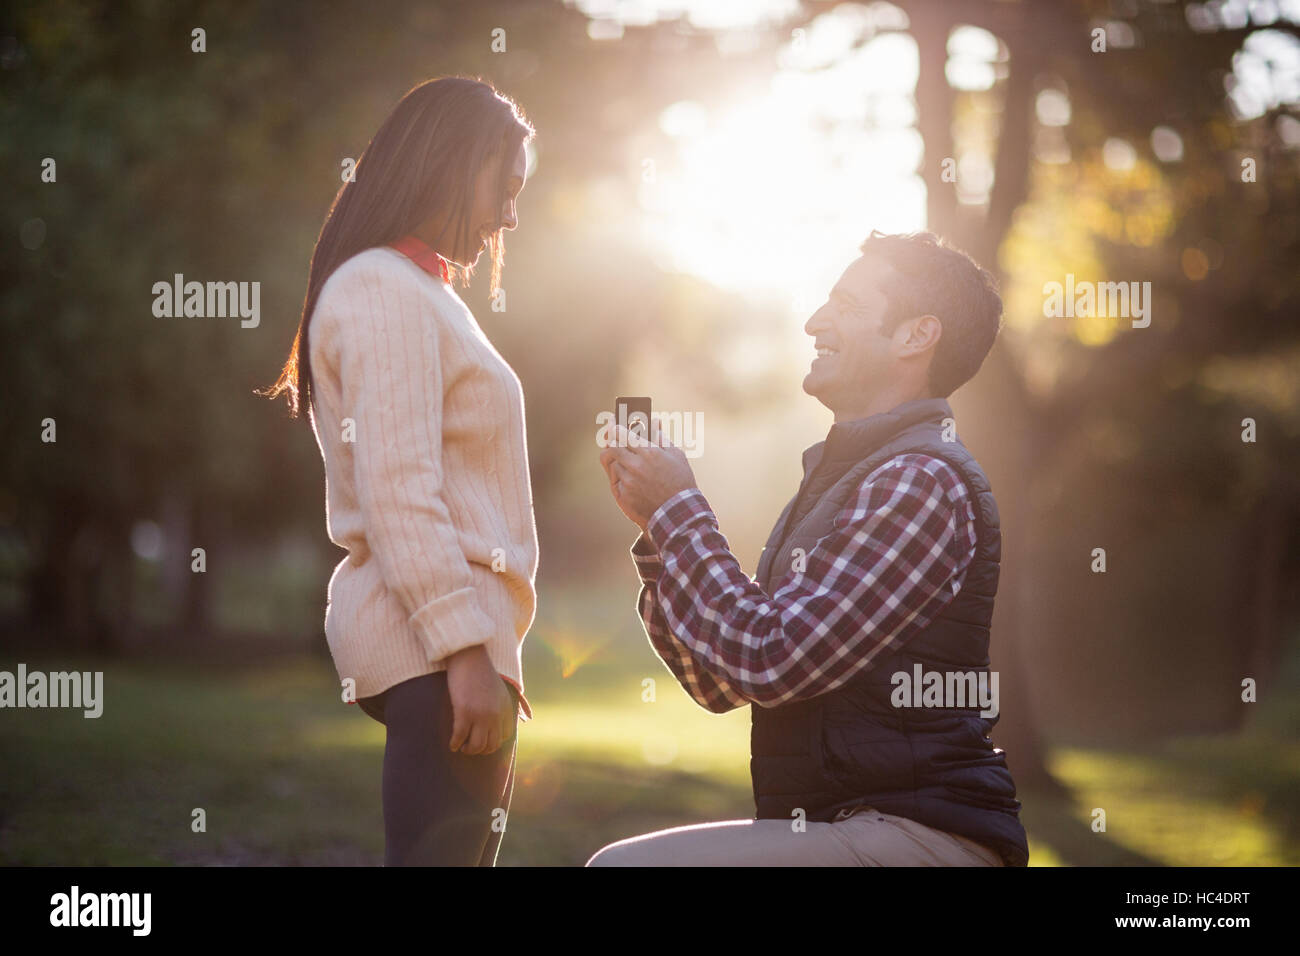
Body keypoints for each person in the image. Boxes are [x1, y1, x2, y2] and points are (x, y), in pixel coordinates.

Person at [592, 231, 1030, 866]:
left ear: (916, 335)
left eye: (847, 305)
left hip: (920, 835)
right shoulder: (849, 481)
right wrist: (660, 534)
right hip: (847, 828)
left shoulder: (920, 482)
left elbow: (772, 661)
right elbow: (717, 682)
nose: (813, 321)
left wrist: (678, 512)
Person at [261, 76, 538, 866]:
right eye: (504, 188)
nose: (511, 215)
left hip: (458, 645)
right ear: (453, 164)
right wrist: (464, 650)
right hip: (438, 649)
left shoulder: (421, 291)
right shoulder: (383, 289)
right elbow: (399, 489)